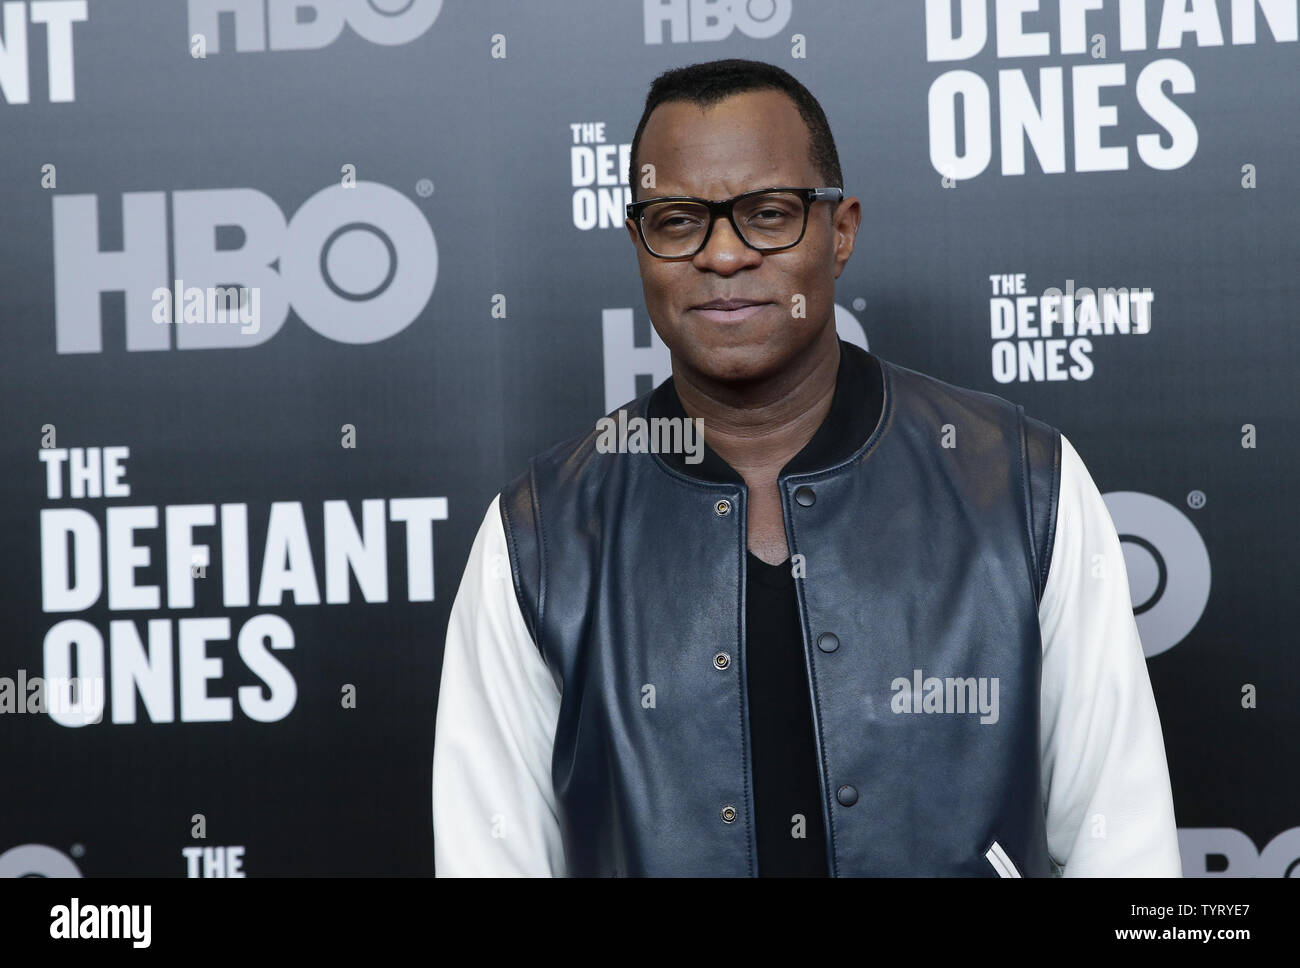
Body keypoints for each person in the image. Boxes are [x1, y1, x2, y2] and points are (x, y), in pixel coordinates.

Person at [432, 58, 1181, 877]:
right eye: (679, 220)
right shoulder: (540, 538)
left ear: (842, 230)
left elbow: (1126, 845)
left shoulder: (1021, 483)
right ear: (639, 245)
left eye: (767, 213)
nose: (722, 255)